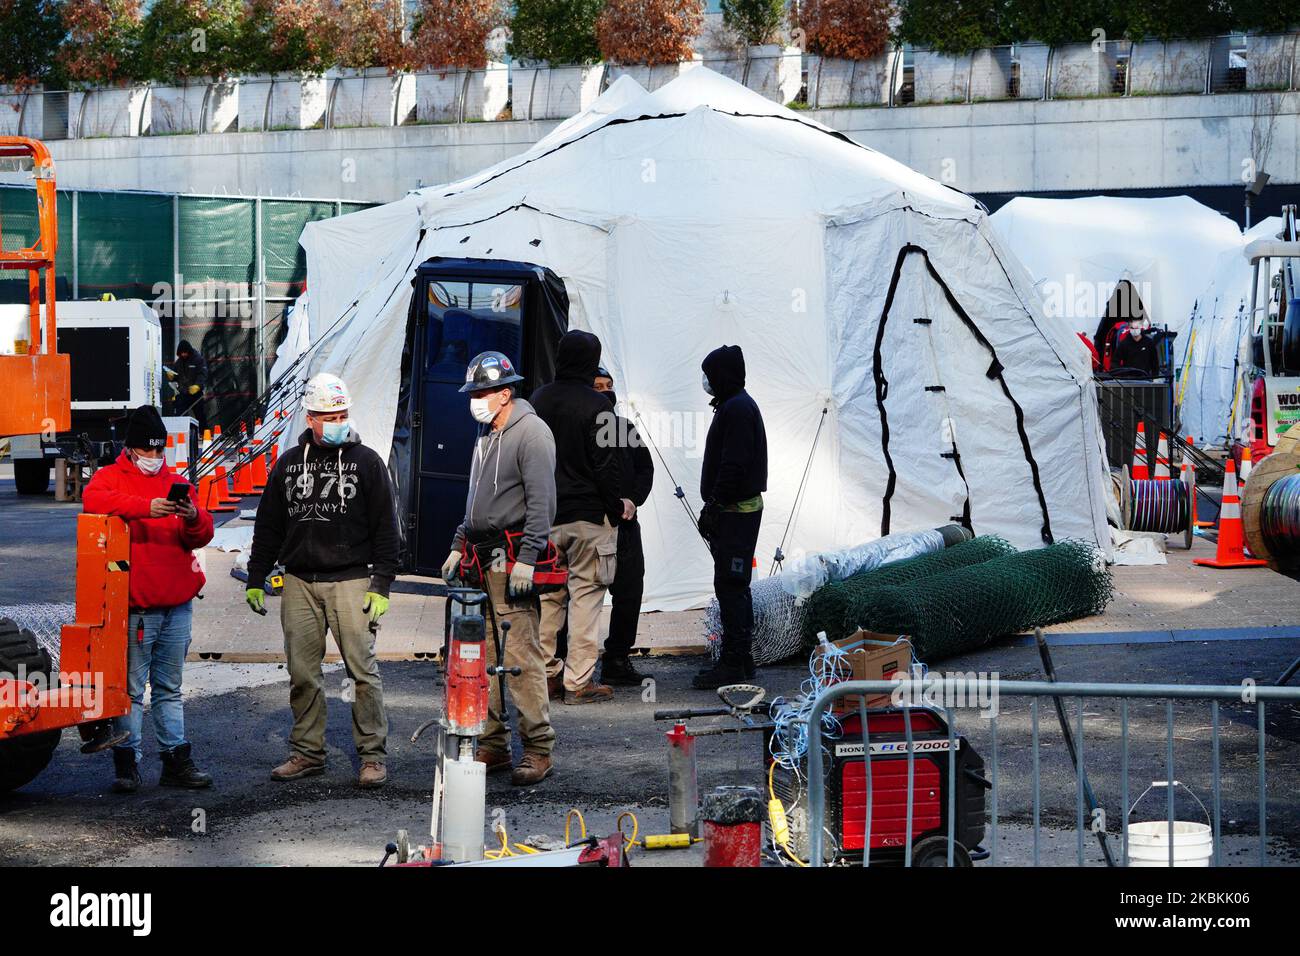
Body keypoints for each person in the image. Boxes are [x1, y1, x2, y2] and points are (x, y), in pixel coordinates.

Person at [245, 373, 398, 789]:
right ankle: (307, 752)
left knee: (363, 672)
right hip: (298, 582)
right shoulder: (289, 464)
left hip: (351, 581)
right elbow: (269, 525)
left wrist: (381, 583)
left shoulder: (367, 462)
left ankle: (372, 756)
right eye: (329, 415)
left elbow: (387, 527)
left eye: (343, 414)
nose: (337, 421)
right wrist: (256, 577)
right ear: (310, 417)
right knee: (302, 673)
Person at [83, 404, 215, 793]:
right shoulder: (110, 478)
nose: (156, 458)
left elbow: (201, 534)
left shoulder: (176, 482)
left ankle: (173, 759)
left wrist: (191, 515)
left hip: (176, 604)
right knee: (133, 689)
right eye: (149, 451)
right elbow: (94, 500)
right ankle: (128, 763)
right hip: (138, 607)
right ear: (131, 449)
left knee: (169, 687)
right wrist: (146, 508)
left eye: (160, 450)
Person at [441, 351, 558, 786]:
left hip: (509, 559)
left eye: (482, 392)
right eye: (473, 392)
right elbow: (476, 500)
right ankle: (494, 744)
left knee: (521, 656)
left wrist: (527, 558)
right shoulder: (487, 433)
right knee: (485, 655)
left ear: (505, 393)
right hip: (482, 557)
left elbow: (542, 503)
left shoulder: (532, 434)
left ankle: (538, 748)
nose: (474, 399)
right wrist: (458, 542)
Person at [531, 331, 628, 705]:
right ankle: (578, 682)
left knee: (549, 598)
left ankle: (546, 676)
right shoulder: (599, 406)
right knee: (586, 598)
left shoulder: (539, 399)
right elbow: (607, 468)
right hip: (589, 518)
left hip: (547, 517)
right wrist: (616, 508)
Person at [693, 345, 767, 689]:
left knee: (731, 585)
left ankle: (734, 662)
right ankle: (743, 659)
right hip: (737, 511)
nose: (706, 382)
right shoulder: (734, 404)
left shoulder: (737, 409)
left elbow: (733, 464)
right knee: (736, 585)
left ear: (722, 376)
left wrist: (714, 504)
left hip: (736, 514)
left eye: (709, 375)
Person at [592, 366, 654, 686]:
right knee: (583, 596)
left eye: (609, 386)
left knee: (629, 593)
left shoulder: (625, 428)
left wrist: (633, 499)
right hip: (593, 526)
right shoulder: (580, 430)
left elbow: (645, 468)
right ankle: (573, 663)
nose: (605, 391)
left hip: (627, 527)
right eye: (598, 386)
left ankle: (617, 659)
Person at [170, 339, 209, 432]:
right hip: (183, 393)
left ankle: (204, 434)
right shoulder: (179, 362)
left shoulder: (198, 359)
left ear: (189, 352)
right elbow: (175, 375)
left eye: (185, 352)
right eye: (181, 353)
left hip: (196, 393)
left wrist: (198, 386)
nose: (183, 355)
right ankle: (180, 432)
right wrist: (171, 376)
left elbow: (203, 373)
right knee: (180, 413)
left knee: (200, 414)